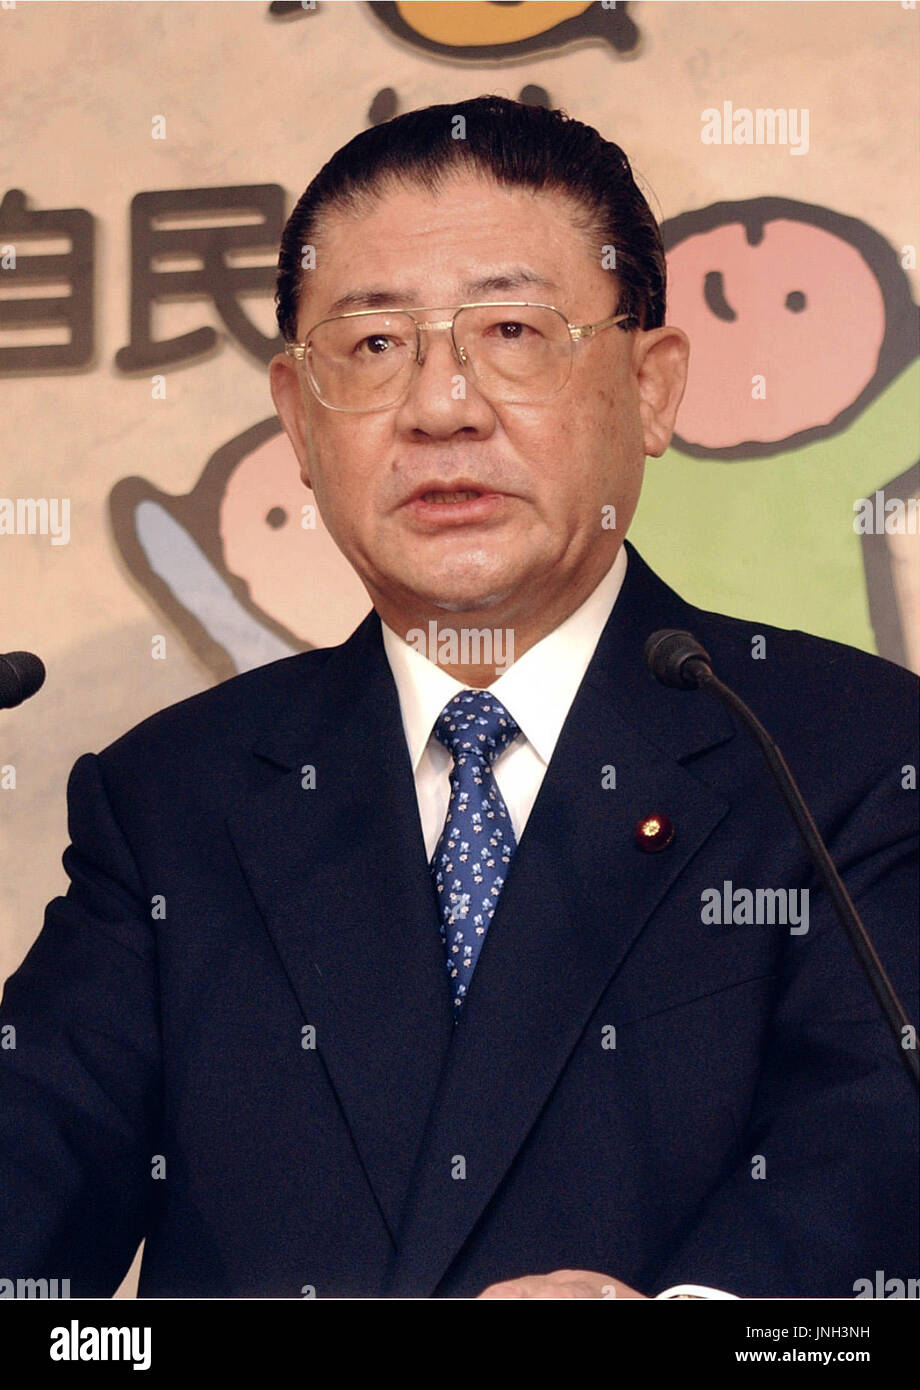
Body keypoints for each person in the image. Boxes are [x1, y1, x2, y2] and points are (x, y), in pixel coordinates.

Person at [1, 96, 916, 1300]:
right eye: (373, 347)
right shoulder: (172, 797)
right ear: (295, 417)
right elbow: (33, 1186)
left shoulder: (840, 748)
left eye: (513, 331)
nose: (441, 406)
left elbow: (871, 1154)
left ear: (650, 387)